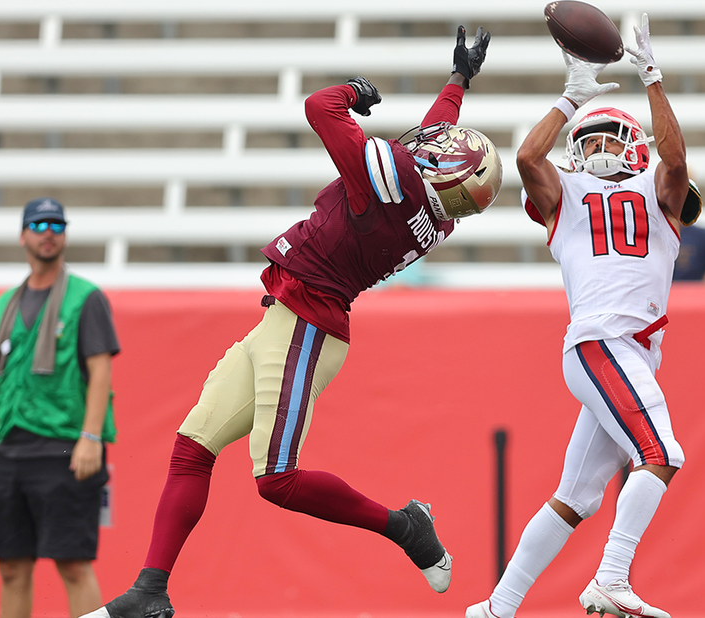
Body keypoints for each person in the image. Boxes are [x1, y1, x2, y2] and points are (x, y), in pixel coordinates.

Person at [82, 25, 500, 618]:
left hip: (309, 327)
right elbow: (438, 142)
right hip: (288, 318)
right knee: (192, 444)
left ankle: (406, 527)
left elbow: (320, 106)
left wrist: (357, 91)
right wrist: (459, 80)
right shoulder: (425, 205)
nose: (428, 144)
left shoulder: (388, 183)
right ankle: (150, 590)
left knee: (276, 479)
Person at [467, 13, 697, 618]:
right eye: (586, 141)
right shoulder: (564, 195)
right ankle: (610, 578)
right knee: (663, 454)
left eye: (606, 138)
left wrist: (652, 79)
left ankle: (498, 606)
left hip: (629, 351)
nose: (595, 148)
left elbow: (675, 162)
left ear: (633, 146)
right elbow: (525, 157)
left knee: (575, 498)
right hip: (603, 342)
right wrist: (572, 98)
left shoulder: (659, 188)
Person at [0, 197, 121, 618]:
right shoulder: (3, 305)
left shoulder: (86, 297)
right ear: (23, 236)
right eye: (39, 225)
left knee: (73, 564)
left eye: (57, 224)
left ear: (65, 234)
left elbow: (101, 373)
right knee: (12, 568)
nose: (49, 232)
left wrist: (90, 437)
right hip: (11, 451)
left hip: (65, 448)